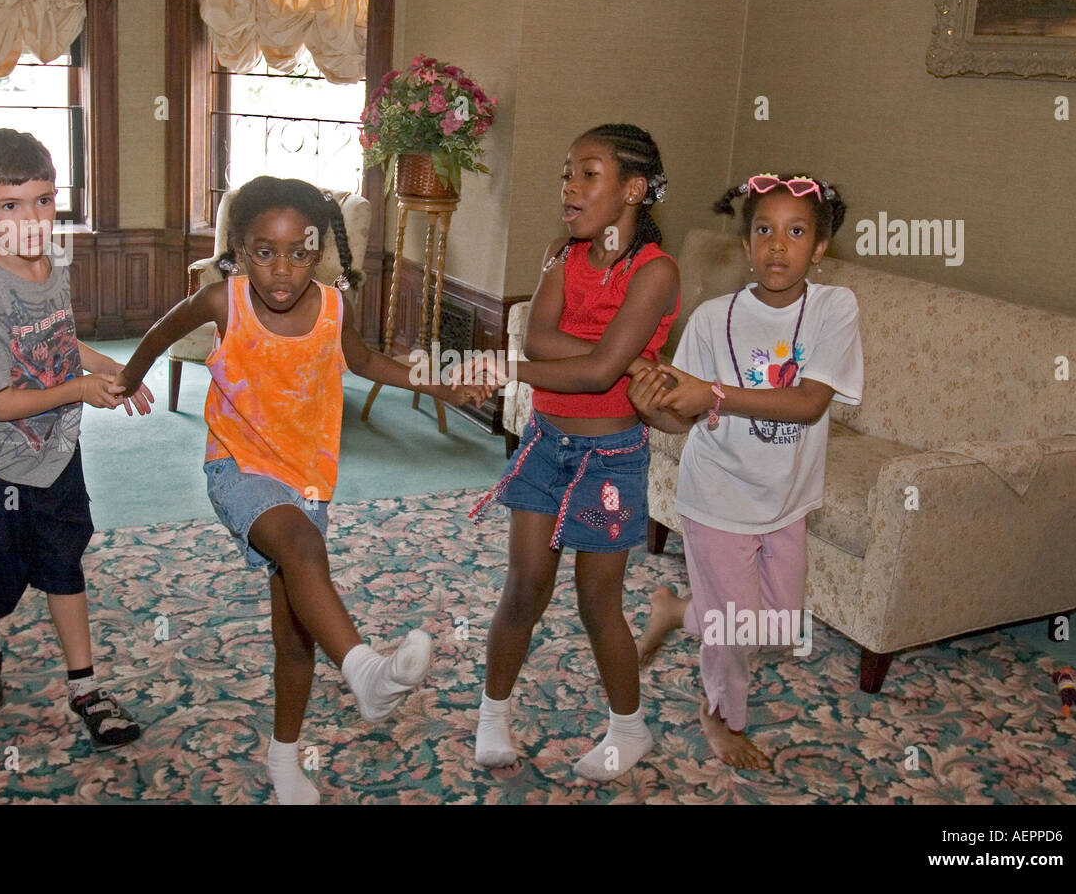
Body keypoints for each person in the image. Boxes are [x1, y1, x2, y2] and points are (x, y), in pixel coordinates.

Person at [113, 176, 495, 804]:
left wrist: (441, 385)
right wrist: (128, 379)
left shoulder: (333, 308)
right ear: (238, 250)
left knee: (294, 635)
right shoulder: (223, 302)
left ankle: (284, 759)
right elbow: (160, 332)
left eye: (298, 252)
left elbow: (368, 363)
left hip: (308, 480)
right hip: (237, 470)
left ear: (319, 253)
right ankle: (366, 672)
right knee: (299, 546)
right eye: (264, 251)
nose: (282, 270)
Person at [0, 128, 155, 750]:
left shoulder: (51, 267)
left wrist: (101, 364)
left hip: (49, 455)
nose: (31, 221)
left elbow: (54, 340)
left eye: (44, 201)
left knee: (62, 561)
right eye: (9, 206)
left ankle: (85, 685)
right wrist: (80, 390)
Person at [467, 124, 680, 781]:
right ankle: (492, 713)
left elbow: (593, 372)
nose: (569, 185)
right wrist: (605, 356)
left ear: (634, 189)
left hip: (612, 459)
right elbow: (539, 336)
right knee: (524, 587)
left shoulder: (657, 273)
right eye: (567, 172)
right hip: (545, 444)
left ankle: (629, 728)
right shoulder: (564, 257)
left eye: (588, 174)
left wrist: (518, 368)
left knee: (597, 602)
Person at [631, 172, 864, 769]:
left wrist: (712, 392)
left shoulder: (834, 308)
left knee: (779, 625)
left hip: (787, 499)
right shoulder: (713, 319)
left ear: (819, 248)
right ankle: (719, 714)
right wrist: (654, 402)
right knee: (735, 631)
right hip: (718, 497)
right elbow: (683, 417)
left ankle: (676, 612)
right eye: (764, 230)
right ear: (746, 245)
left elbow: (810, 403)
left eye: (795, 232)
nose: (777, 246)